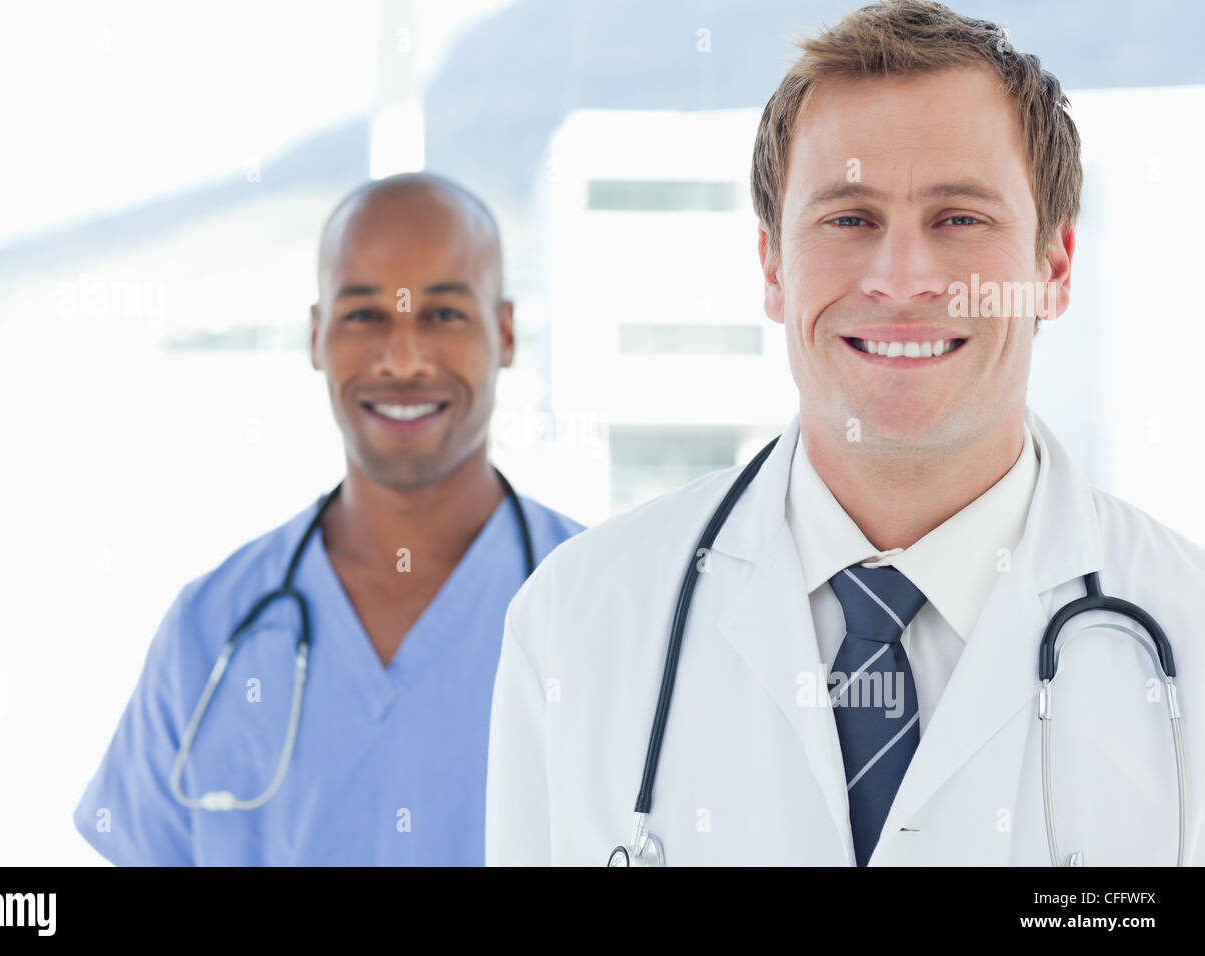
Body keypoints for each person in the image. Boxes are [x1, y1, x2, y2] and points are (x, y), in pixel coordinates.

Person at [485, 0, 1204, 866]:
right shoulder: (575, 625)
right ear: (772, 267)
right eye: (850, 219)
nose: (902, 279)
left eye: (960, 217)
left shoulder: (1187, 628)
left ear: (1053, 268)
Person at [74, 173, 582, 865]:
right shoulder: (210, 628)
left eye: (443, 314)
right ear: (316, 336)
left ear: (506, 333)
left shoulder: (603, 608)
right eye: (365, 315)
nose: (403, 360)